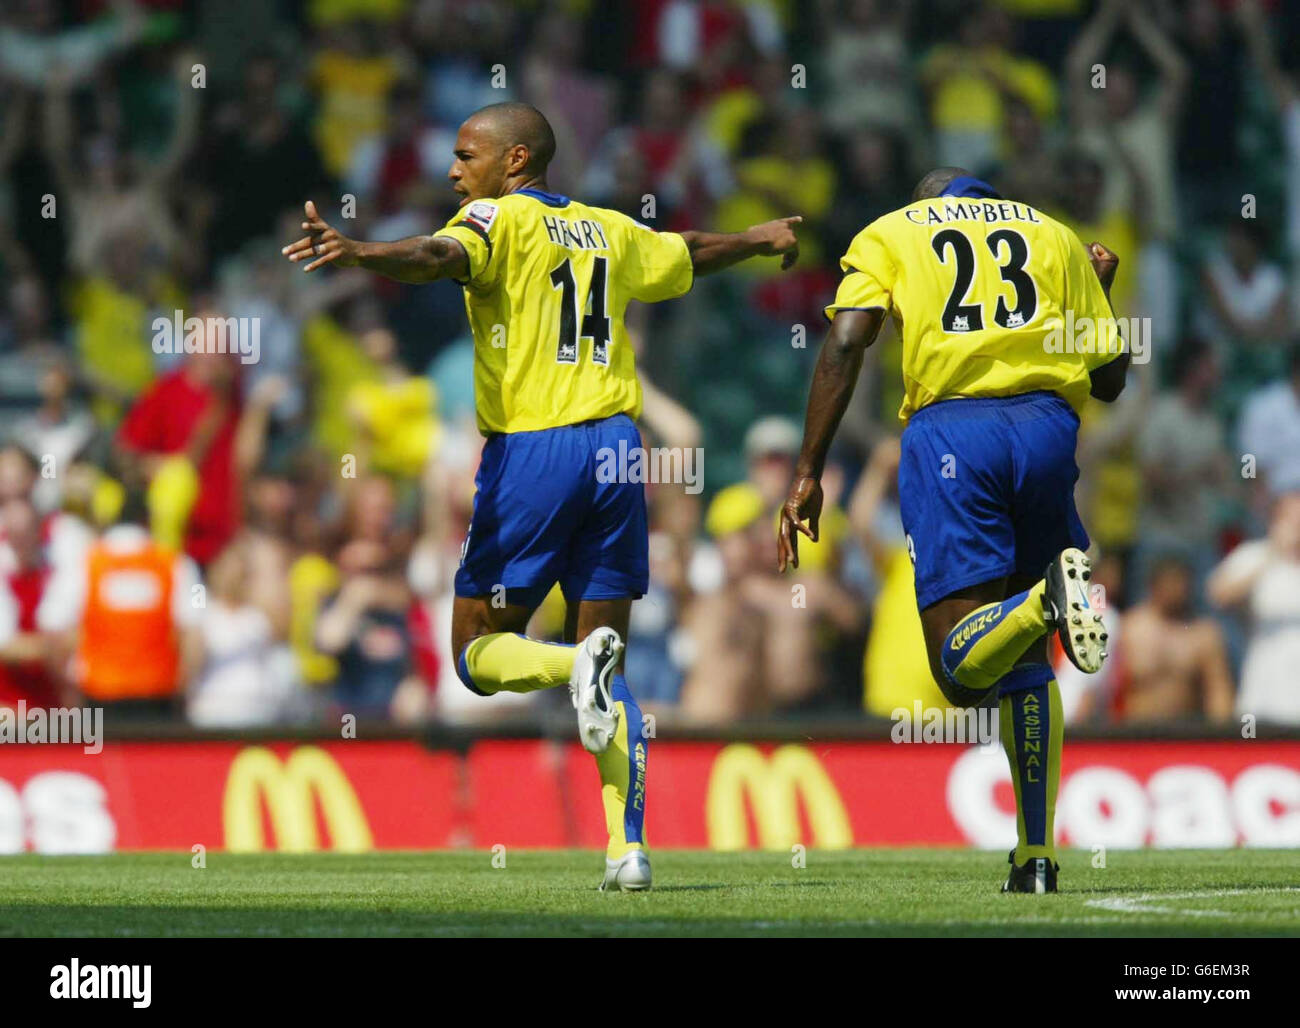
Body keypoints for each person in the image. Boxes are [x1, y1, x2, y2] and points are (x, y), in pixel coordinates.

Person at [282, 101, 800, 891]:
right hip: (620, 450)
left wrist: (358, 253)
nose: (453, 171)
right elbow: (686, 251)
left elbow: (433, 255)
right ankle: (627, 850)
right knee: (611, 653)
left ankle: (567, 667)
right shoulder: (608, 228)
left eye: (466, 155)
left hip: (535, 449)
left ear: (514, 160)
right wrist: (759, 241)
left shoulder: (495, 218)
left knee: (473, 652)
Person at [777, 167, 1126, 894]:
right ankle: (1036, 858)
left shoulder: (894, 230)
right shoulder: (1056, 236)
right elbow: (1111, 379)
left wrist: (809, 468)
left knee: (961, 674)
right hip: (1048, 431)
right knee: (1027, 666)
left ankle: (1044, 602)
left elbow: (846, 341)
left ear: (928, 201)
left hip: (954, 435)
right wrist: (1099, 288)